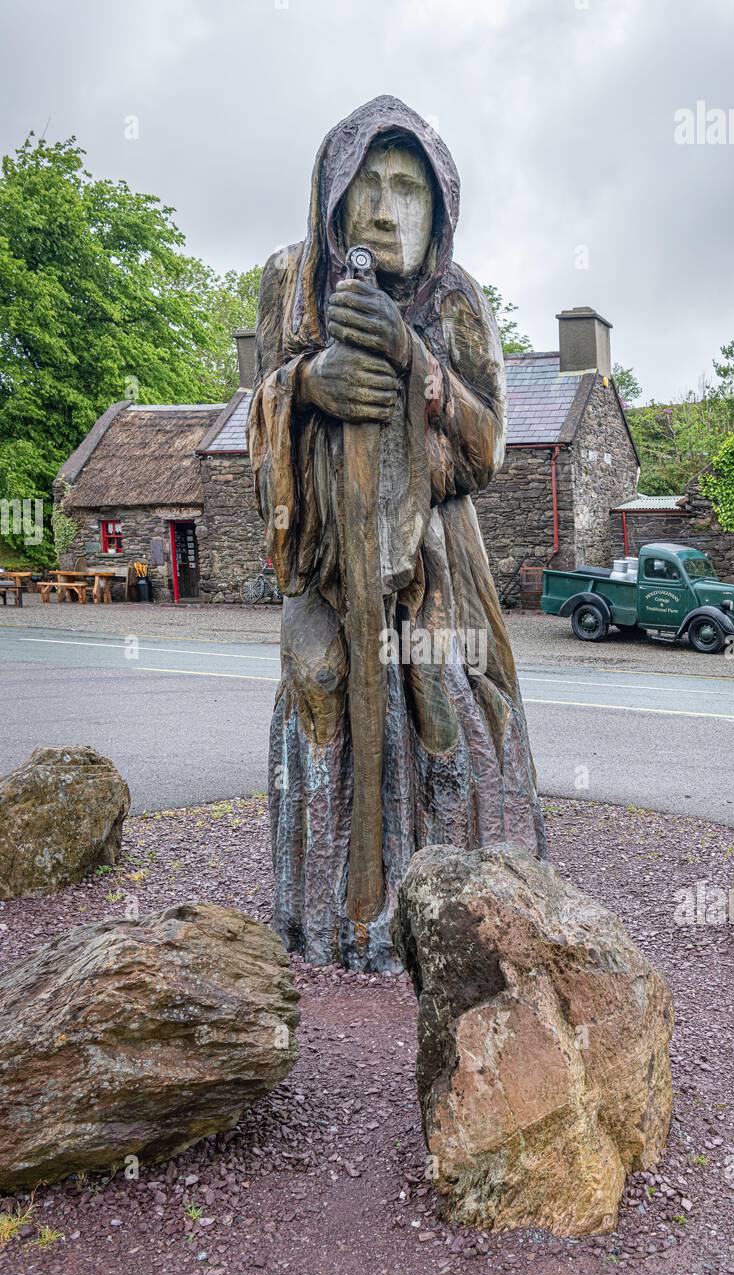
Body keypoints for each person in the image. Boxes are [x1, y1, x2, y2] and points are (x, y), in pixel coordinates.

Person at [248, 95, 544, 971]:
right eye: (367, 183)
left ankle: (462, 906)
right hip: (329, 562)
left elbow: (488, 446)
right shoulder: (290, 282)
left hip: (437, 562)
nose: (384, 206)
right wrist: (308, 384)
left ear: (438, 207)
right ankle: (327, 912)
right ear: (334, 199)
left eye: (408, 188)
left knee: (443, 693)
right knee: (317, 678)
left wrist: (418, 366)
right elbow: (259, 417)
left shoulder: (454, 300)